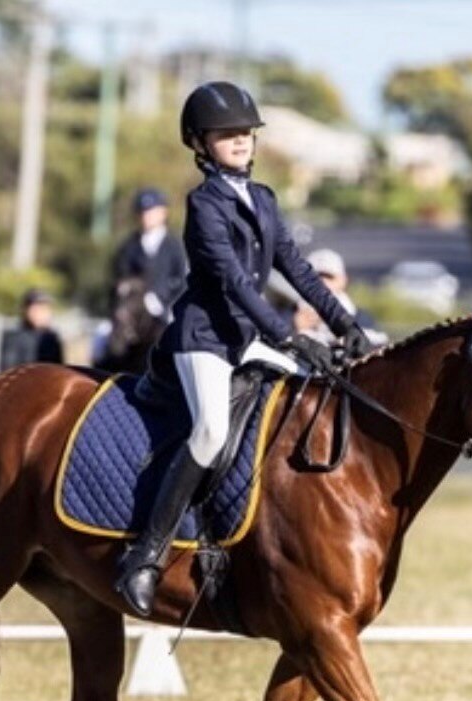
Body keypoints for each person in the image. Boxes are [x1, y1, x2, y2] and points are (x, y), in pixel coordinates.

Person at [114, 80, 375, 617]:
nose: (239, 140)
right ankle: (145, 556)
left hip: (247, 339)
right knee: (210, 431)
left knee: (309, 397)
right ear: (200, 143)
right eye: (225, 133)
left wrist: (343, 322)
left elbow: (297, 269)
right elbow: (233, 283)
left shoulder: (264, 199)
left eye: (246, 132)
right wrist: (289, 336)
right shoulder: (204, 204)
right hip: (205, 340)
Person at [110, 188, 187, 324]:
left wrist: (163, 300)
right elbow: (121, 277)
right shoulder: (128, 247)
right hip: (133, 310)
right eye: (142, 212)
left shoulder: (176, 246)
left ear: (163, 212)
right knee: (104, 334)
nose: (146, 216)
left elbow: (182, 279)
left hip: (168, 309)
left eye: (151, 211)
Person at [295, 248, 389, 348]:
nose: (323, 282)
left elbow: (374, 346)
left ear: (344, 280)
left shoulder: (362, 319)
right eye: (315, 278)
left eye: (329, 277)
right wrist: (297, 330)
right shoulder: (289, 315)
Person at [0, 288, 64, 371]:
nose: (40, 313)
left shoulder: (52, 338)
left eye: (44, 309)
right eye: (36, 309)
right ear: (25, 310)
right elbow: (8, 370)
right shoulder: (13, 337)